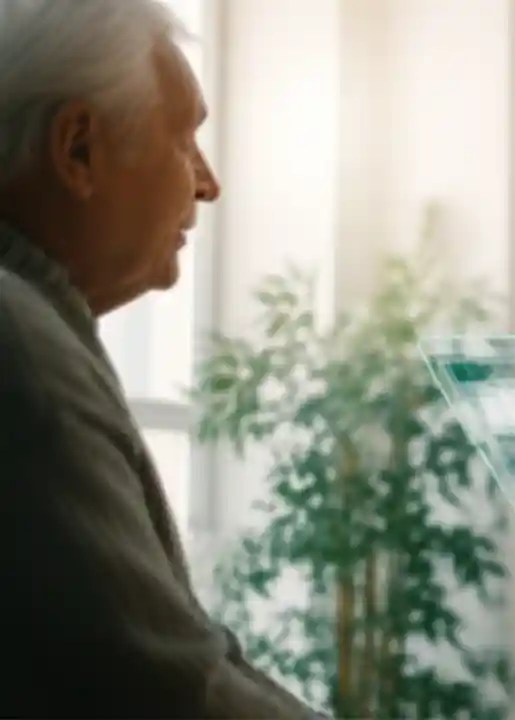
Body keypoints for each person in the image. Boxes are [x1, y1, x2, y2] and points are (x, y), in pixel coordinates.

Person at [0, 1, 317, 716]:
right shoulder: (18, 346)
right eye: (184, 141)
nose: (207, 183)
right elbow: (166, 690)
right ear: (78, 150)